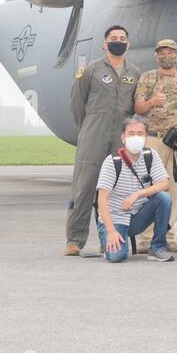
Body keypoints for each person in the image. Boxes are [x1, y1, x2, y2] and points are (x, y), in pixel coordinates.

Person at [65, 25, 140, 256]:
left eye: (122, 38)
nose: (118, 41)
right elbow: (77, 103)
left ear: (128, 44)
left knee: (115, 189)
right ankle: (75, 240)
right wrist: (88, 127)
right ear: (105, 44)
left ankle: (107, 238)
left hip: (120, 136)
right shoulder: (91, 70)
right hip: (93, 135)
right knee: (85, 187)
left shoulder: (134, 73)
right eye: (113, 38)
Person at [132, 38, 177, 252]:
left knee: (176, 189)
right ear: (156, 56)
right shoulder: (147, 78)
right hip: (153, 138)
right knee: (149, 186)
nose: (166, 56)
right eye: (162, 52)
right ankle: (146, 238)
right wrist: (152, 102)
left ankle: (170, 236)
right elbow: (138, 107)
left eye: (170, 52)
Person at [95, 116, 174, 263]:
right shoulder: (112, 161)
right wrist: (111, 231)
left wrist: (137, 194)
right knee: (116, 256)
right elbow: (102, 198)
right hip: (115, 218)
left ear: (145, 137)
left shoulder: (150, 155)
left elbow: (164, 183)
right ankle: (108, 237)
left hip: (138, 215)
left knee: (164, 198)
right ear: (123, 137)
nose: (135, 137)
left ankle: (157, 247)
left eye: (140, 133)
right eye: (131, 134)